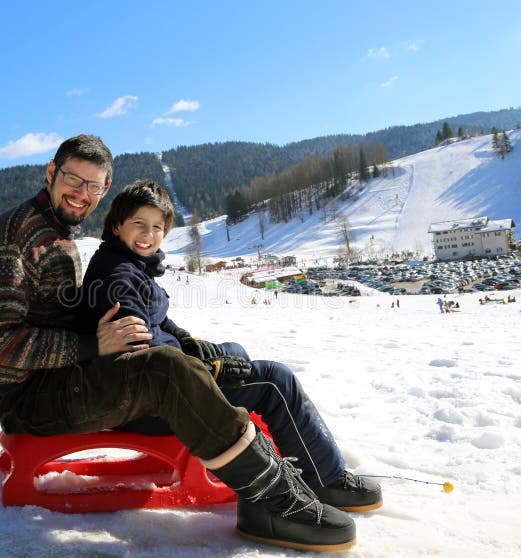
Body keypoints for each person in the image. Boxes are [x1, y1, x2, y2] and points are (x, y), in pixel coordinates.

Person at [0, 135, 355, 552]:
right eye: (73, 179)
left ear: (104, 191)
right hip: (24, 394)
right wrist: (92, 346)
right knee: (166, 369)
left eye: (93, 186)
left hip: (56, 379)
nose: (82, 194)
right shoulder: (12, 234)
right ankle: (270, 499)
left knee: (184, 361)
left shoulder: (55, 232)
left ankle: (290, 480)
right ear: (50, 173)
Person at [81, 180, 382, 514]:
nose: (148, 235)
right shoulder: (117, 277)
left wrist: (191, 344)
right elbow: (141, 356)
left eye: (157, 227)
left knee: (234, 352)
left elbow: (158, 323)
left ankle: (281, 446)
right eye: (139, 224)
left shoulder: (129, 265)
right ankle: (325, 480)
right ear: (116, 224)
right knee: (274, 381)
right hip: (148, 403)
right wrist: (210, 369)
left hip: (154, 388)